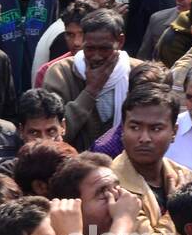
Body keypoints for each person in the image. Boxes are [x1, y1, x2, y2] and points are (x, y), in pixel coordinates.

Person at [111, 85, 192, 235]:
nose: (144, 138)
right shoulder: (112, 188)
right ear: (122, 130)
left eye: (156, 129)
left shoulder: (188, 179)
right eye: (134, 127)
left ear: (174, 132)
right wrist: (177, 209)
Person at [40, 8, 138, 152]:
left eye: (104, 49)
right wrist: (91, 91)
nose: (96, 56)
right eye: (90, 49)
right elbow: (53, 135)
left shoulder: (137, 73)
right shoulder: (61, 73)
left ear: (120, 41)